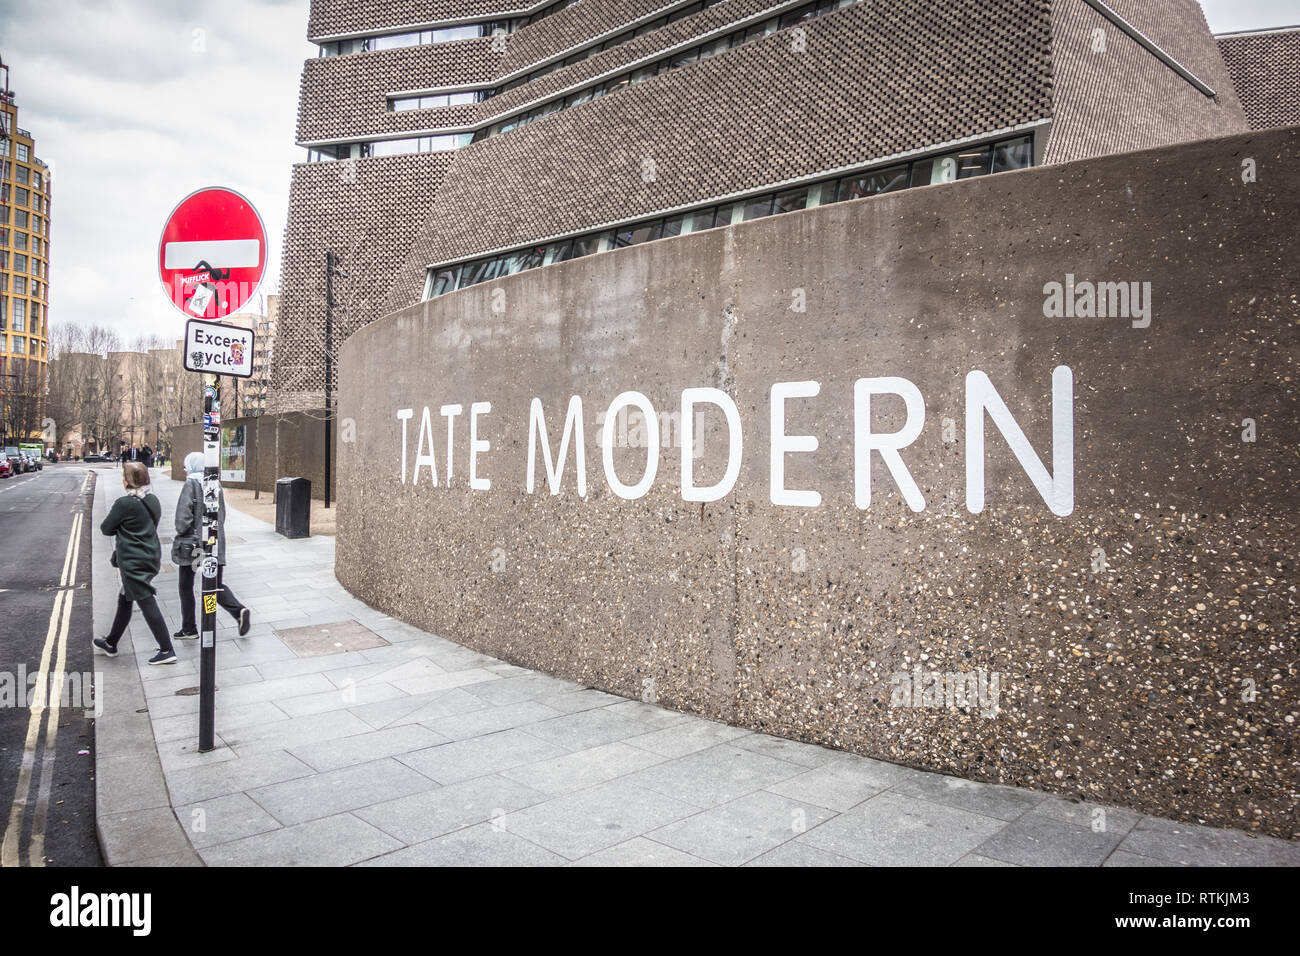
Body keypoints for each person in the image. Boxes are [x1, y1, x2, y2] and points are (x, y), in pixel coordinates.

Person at [94, 462, 177, 665]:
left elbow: (106, 528)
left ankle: (167, 649)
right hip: (150, 554)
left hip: (133, 559)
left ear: (127, 481)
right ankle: (111, 642)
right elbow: (151, 525)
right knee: (125, 598)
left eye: (124, 476)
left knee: (146, 599)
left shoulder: (125, 503)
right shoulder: (153, 499)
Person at [172, 451, 251, 639]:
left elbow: (183, 519)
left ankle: (189, 628)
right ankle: (237, 610)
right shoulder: (216, 484)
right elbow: (221, 516)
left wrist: (183, 532)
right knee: (214, 585)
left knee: (185, 585)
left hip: (193, 545)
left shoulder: (191, 483)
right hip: (215, 542)